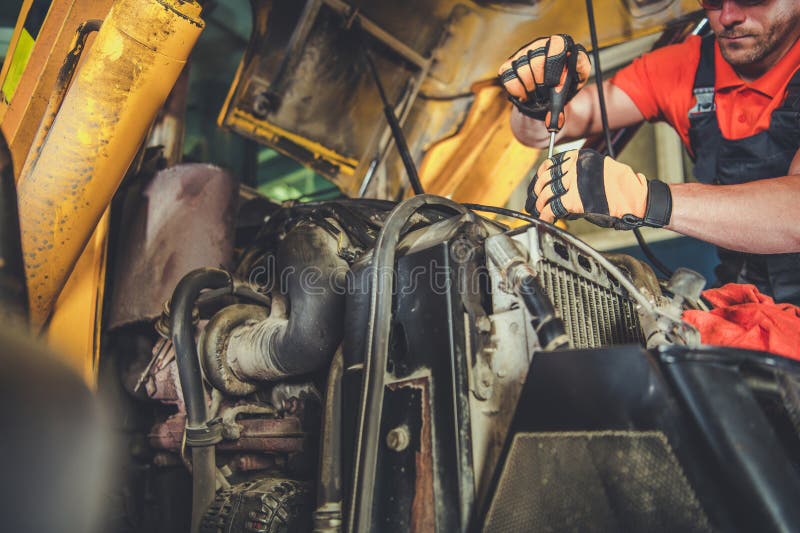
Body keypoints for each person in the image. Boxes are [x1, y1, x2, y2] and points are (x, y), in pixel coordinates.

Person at [498, 0, 800, 305]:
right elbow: (546, 129)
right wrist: (536, 102)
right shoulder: (686, 67)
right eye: (712, 1)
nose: (727, 16)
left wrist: (645, 199)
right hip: (747, 303)